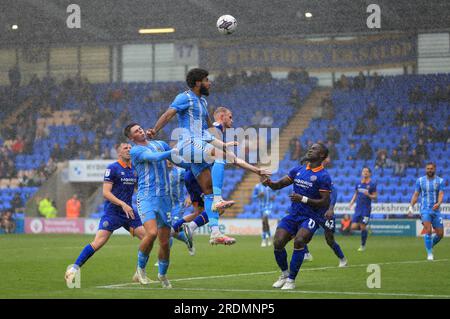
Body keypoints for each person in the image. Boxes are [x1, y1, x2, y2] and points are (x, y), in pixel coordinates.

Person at [147, 72, 270, 245]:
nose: (210, 83)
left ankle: (214, 232)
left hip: (199, 148)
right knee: (219, 158)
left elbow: (209, 129)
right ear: (198, 83)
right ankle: (219, 200)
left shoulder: (203, 102)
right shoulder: (185, 98)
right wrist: (155, 130)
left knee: (209, 190)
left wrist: (222, 145)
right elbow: (169, 114)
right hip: (189, 144)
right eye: (206, 80)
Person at [65, 143, 145, 286]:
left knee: (147, 238)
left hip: (129, 212)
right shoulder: (113, 168)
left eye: (130, 148)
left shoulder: (134, 170)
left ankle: (139, 273)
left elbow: (139, 189)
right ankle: (74, 269)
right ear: (118, 152)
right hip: (113, 212)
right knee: (98, 243)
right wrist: (122, 204)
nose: (129, 150)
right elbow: (105, 193)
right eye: (125, 148)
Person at [263, 143, 332, 290]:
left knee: (299, 240)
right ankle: (284, 274)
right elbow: (278, 185)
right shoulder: (298, 170)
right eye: (310, 148)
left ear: (321, 155)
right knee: (278, 242)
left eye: (314, 149)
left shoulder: (324, 176)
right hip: (293, 214)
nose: (310, 150)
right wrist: (270, 183)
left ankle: (291, 280)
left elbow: (325, 201)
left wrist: (303, 199)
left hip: (311, 217)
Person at [126, 123, 185, 288]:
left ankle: (162, 274)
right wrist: (172, 151)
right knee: (151, 233)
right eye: (136, 131)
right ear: (132, 138)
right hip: (146, 197)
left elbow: (175, 160)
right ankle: (140, 270)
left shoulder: (160, 144)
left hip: (165, 199)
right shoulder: (135, 151)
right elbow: (155, 158)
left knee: (165, 242)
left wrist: (194, 169)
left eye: (140, 128)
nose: (140, 131)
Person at [303, 157, 347, 267]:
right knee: (301, 234)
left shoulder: (322, 176)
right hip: (312, 213)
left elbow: (334, 192)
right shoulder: (305, 177)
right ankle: (306, 254)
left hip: (325, 213)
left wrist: (331, 208)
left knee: (329, 240)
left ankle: (342, 259)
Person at [408, 162, 444, 261]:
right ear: (425, 169)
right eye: (428, 168)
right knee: (428, 230)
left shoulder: (440, 181)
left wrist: (439, 203)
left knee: (440, 234)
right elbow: (416, 194)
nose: (429, 170)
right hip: (425, 210)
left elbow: (441, 194)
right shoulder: (420, 181)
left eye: (431, 168)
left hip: (436, 210)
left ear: (435, 169)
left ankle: (430, 245)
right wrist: (411, 206)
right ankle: (429, 254)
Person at [349, 167, 377, 251]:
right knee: (353, 227)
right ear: (361, 173)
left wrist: (369, 195)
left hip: (366, 209)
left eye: (367, 171)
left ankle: (363, 245)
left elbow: (375, 196)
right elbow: (356, 194)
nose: (365, 172)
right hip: (358, 208)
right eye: (363, 171)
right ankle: (365, 230)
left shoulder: (372, 184)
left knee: (362, 226)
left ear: (370, 174)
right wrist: (351, 202)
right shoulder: (358, 183)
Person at [252, 176, 276, 247]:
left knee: (264, 220)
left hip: (269, 206)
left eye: (264, 178)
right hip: (261, 207)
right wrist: (258, 195)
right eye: (261, 178)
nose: (263, 179)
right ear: (260, 179)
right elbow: (253, 196)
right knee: (265, 223)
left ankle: (263, 239)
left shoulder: (270, 186)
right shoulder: (257, 186)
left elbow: (275, 193)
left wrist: (273, 197)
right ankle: (269, 237)